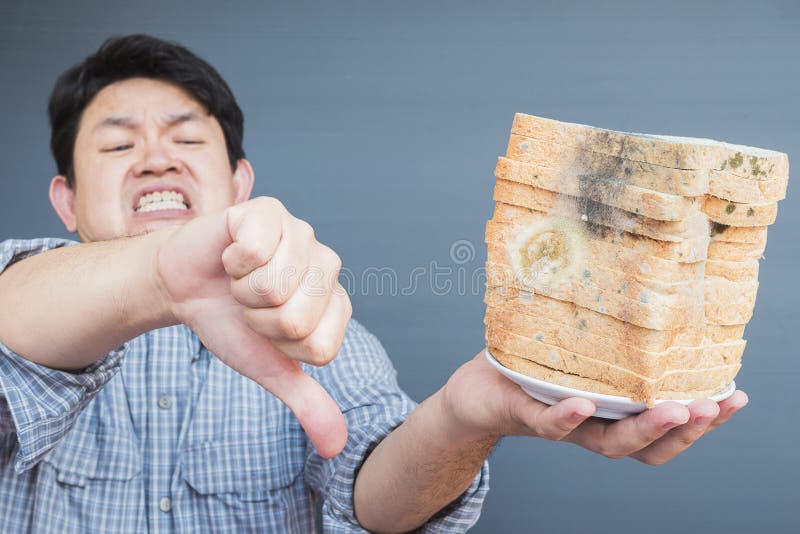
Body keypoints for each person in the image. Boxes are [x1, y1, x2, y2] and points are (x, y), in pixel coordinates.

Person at [0, 34, 748, 533]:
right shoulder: (21, 290)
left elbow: (375, 498)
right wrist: (159, 273)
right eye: (120, 143)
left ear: (240, 183)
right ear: (65, 200)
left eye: (188, 138)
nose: (158, 158)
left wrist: (463, 417)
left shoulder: (321, 332)